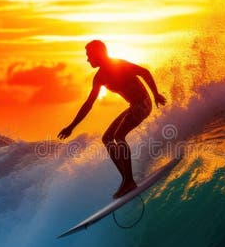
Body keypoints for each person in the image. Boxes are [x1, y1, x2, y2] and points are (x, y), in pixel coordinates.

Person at [58, 40, 166, 198]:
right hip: (133, 106)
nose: (88, 59)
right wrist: (71, 126)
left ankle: (128, 180)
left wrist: (155, 94)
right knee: (107, 138)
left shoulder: (119, 65)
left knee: (119, 136)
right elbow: (89, 104)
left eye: (89, 55)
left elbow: (144, 72)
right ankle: (126, 180)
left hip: (143, 104)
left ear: (99, 54)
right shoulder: (99, 78)